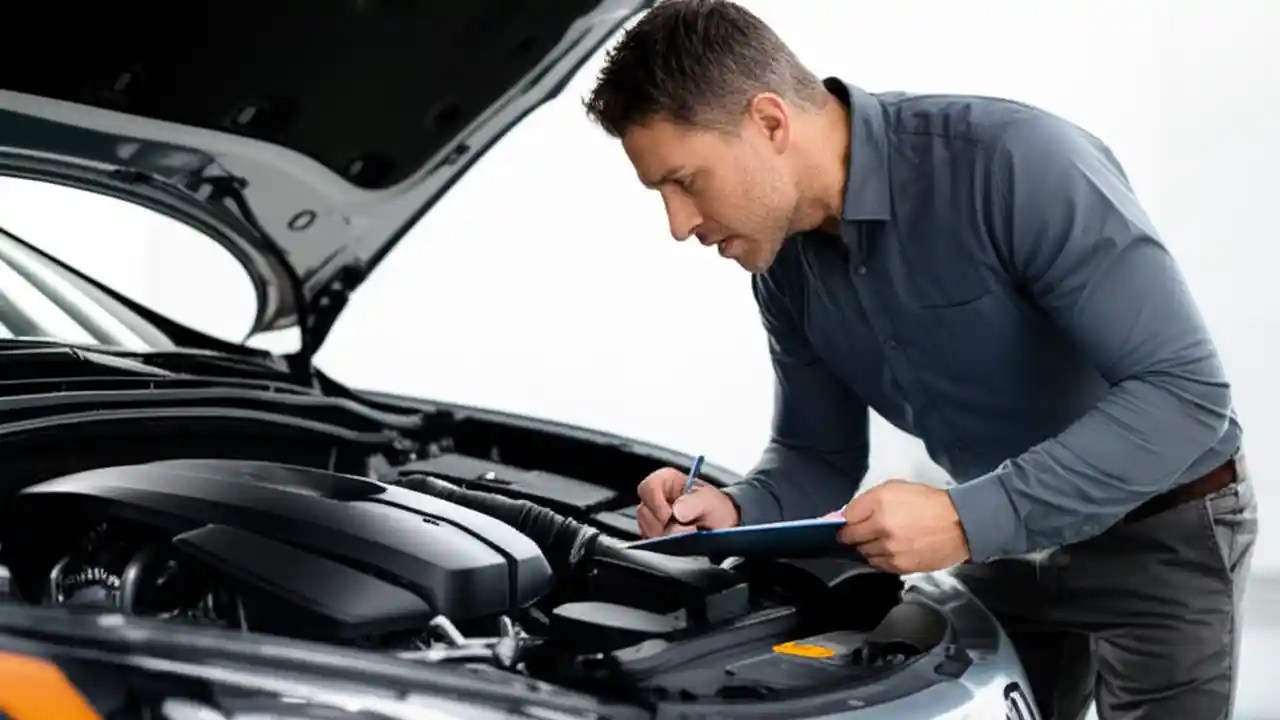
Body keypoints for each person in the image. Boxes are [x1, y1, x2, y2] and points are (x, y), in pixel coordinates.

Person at [581, 1, 1256, 718]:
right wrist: (733, 509)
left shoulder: (1016, 165)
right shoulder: (783, 265)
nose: (679, 225)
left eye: (685, 181)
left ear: (770, 123)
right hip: (1001, 540)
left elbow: (1184, 396)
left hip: (1158, 525)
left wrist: (966, 520)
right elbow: (815, 453)